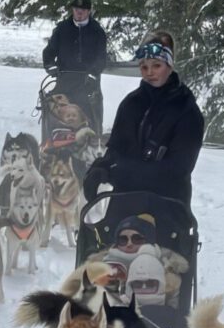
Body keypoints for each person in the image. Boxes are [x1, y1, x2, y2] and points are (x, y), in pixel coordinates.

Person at [85, 30, 204, 210]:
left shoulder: (187, 110)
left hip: (169, 208)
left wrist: (120, 173)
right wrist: (100, 168)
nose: (150, 73)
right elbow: (116, 150)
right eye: (144, 67)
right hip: (124, 205)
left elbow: (177, 170)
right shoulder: (131, 104)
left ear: (169, 66)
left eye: (156, 66)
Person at [42, 0, 109, 129]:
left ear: (89, 12)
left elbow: (101, 57)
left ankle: (95, 139)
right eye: (76, 10)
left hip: (88, 81)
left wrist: (93, 73)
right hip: (64, 78)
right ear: (72, 10)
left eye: (83, 10)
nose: (79, 13)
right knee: (57, 110)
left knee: (92, 111)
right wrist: (50, 65)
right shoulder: (62, 28)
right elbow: (50, 50)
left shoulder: (97, 31)